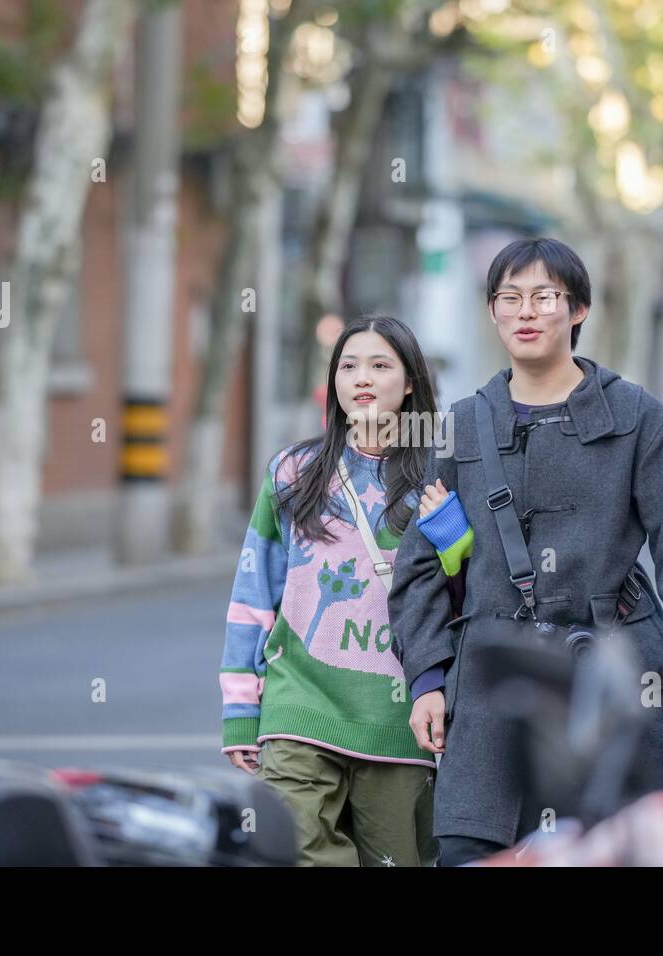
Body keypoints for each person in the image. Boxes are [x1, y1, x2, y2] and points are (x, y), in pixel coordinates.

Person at [388, 237, 663, 867]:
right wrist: (429, 679)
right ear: (492, 312)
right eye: (509, 298)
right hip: (495, 681)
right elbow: (420, 568)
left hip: (618, 669)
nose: (526, 311)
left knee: (632, 848)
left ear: (577, 310)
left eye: (544, 297)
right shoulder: (464, 427)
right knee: (469, 849)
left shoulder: (638, 418)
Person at [218, 314, 439, 867]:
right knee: (295, 853)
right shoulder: (293, 472)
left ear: (410, 382)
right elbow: (253, 589)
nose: (361, 378)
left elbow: (463, 587)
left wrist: (453, 532)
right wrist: (241, 708)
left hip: (399, 718)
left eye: (380, 365)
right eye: (349, 365)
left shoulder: (441, 476)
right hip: (299, 704)